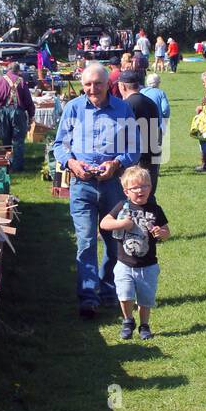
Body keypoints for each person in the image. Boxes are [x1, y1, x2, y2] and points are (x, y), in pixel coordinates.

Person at [53, 62, 141, 318]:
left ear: (107, 84)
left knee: (115, 243)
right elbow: (60, 144)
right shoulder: (73, 108)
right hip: (82, 185)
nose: (93, 89)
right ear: (83, 85)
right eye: (88, 84)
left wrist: (117, 163)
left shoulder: (123, 109)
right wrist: (70, 162)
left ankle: (107, 289)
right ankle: (88, 298)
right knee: (86, 241)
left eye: (98, 83)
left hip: (113, 185)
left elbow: (134, 148)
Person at [100, 165, 170, 340]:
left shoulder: (155, 210)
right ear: (126, 191)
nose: (141, 190)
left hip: (148, 265)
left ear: (151, 187)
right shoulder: (122, 207)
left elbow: (166, 231)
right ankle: (128, 320)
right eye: (135, 187)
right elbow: (104, 224)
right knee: (124, 294)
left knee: (146, 298)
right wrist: (121, 224)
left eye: (145, 185)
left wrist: (161, 233)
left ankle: (144, 325)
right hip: (124, 263)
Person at [117, 70, 163, 195]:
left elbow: (120, 135)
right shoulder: (151, 103)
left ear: (123, 86)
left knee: (134, 195)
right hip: (152, 154)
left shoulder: (126, 105)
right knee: (148, 194)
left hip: (135, 158)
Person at [0, 60, 34, 172]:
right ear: (18, 71)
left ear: (8, 70)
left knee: (6, 140)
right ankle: (17, 167)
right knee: (18, 140)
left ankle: (6, 165)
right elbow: (28, 101)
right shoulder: (22, 81)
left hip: (3, 112)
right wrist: (31, 115)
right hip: (18, 112)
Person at [141, 71, 171, 137]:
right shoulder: (161, 93)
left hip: (142, 123)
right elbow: (165, 109)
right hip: (157, 124)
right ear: (157, 83)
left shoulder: (141, 92)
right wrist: (165, 119)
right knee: (157, 146)